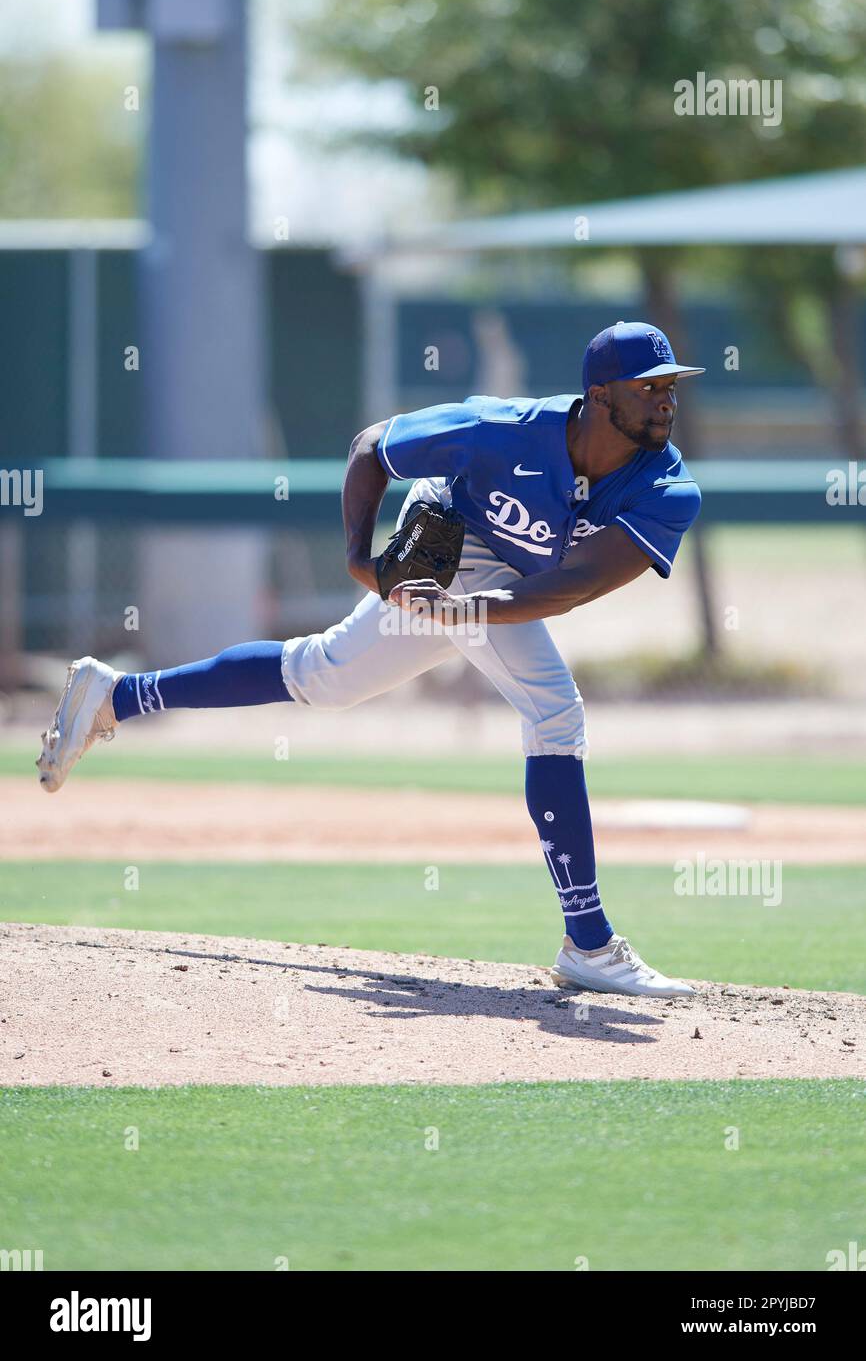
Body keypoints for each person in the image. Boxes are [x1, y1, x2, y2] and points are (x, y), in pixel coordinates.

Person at [37, 320, 704, 998]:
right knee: (555, 713)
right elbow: (372, 448)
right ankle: (589, 943)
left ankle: (115, 695)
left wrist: (466, 614)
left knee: (323, 676)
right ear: (599, 395)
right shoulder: (503, 429)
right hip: (451, 539)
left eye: (671, 386)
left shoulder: (667, 488)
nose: (666, 399)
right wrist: (359, 556)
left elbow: (570, 587)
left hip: (503, 589)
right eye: (649, 387)